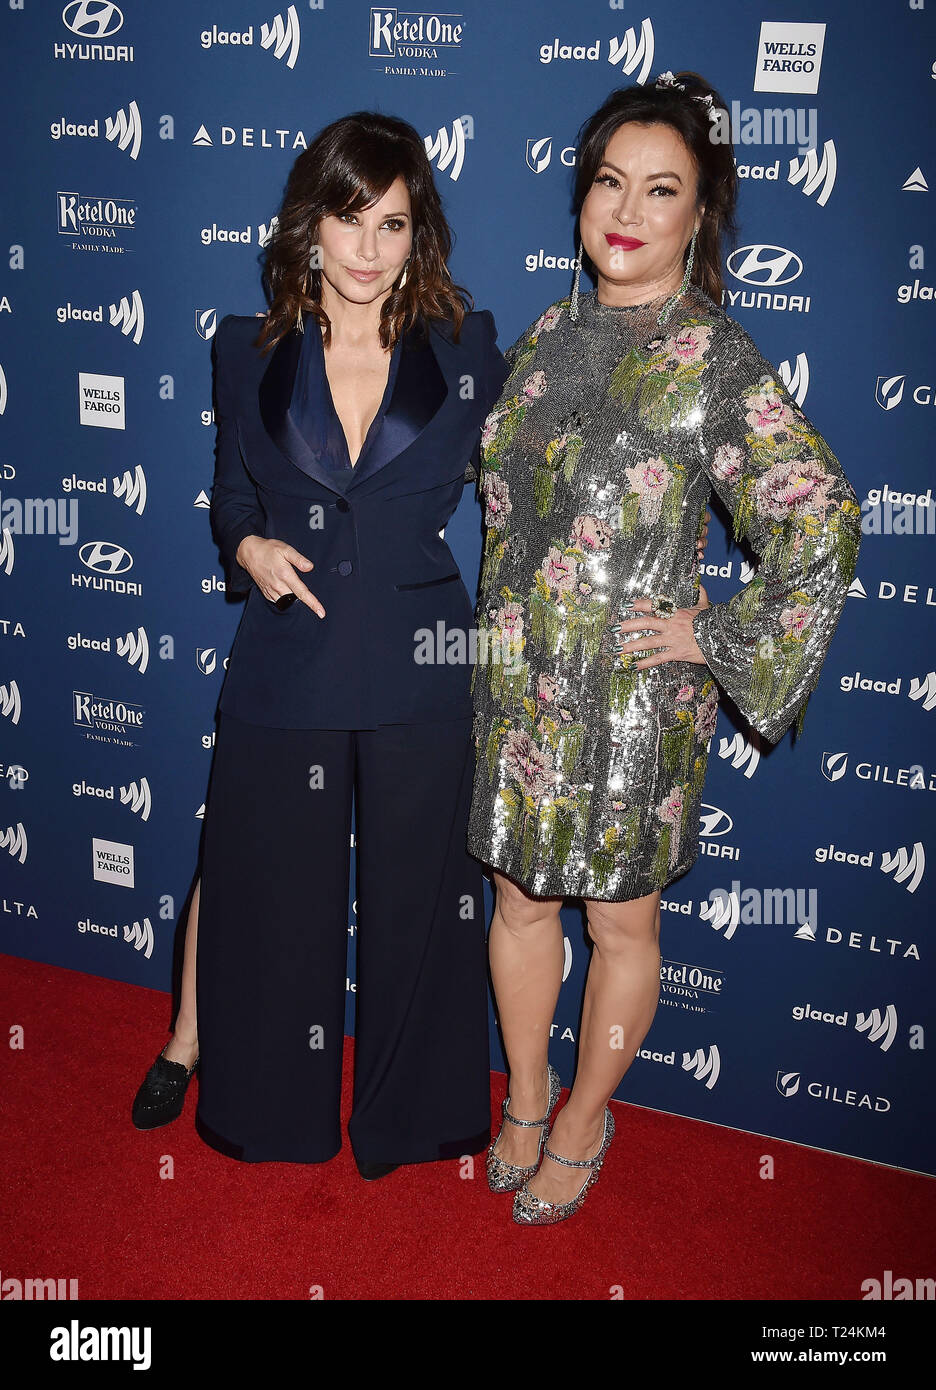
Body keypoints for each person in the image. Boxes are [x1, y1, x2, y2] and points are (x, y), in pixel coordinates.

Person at [467, 72, 861, 1224]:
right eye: (608, 182)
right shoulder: (545, 336)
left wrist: (715, 631)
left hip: (633, 701)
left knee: (619, 922)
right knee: (518, 904)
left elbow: (821, 515)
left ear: (701, 217)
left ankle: (588, 1118)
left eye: (661, 189)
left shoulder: (713, 358)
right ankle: (528, 1097)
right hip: (520, 686)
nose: (625, 209)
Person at [132, 111, 511, 1175]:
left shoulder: (467, 349)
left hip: (416, 665)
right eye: (347, 217)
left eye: (391, 224)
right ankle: (257, 1104)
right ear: (309, 223)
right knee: (261, 890)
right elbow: (230, 495)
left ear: (416, 235)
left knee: (421, 910)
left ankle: (414, 1119)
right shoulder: (245, 350)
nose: (366, 246)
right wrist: (247, 543)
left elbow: (530, 485)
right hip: (286, 659)